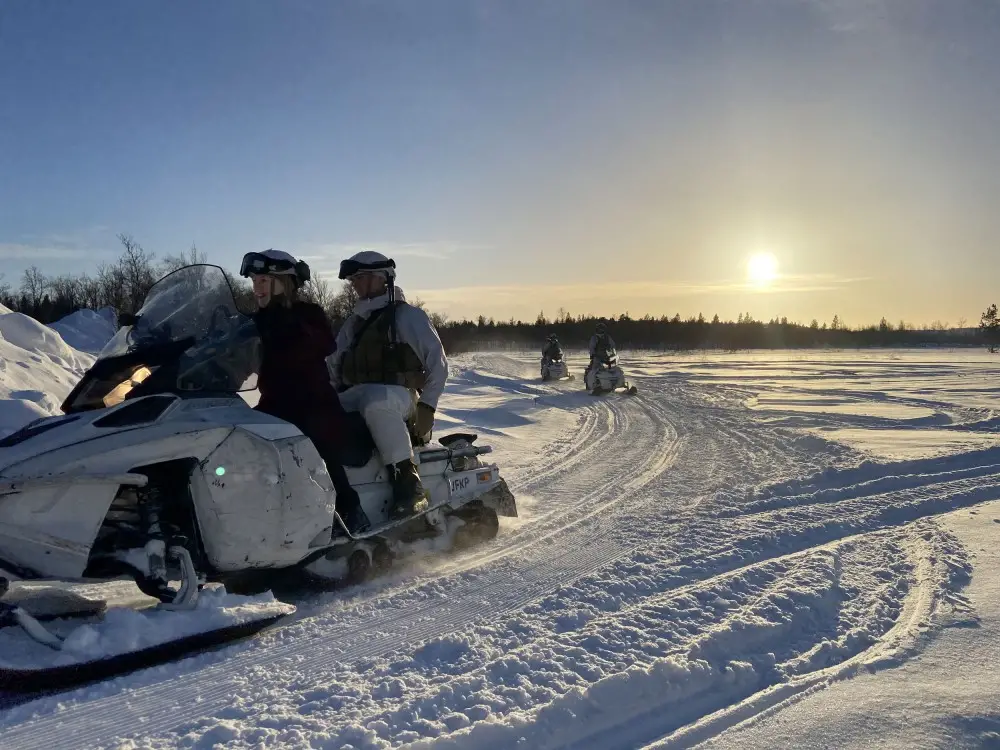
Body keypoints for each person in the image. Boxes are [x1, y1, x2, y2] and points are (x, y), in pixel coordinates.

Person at [239, 249, 371, 534]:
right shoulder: (254, 323)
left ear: (284, 283)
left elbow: (324, 344)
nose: (256, 288)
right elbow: (233, 356)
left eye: (263, 281)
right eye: (254, 282)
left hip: (315, 404)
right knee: (238, 436)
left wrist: (288, 325)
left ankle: (350, 510)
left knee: (314, 439)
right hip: (274, 405)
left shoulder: (307, 314)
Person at [327, 250, 448, 520]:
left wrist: (428, 405)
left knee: (377, 401)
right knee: (318, 409)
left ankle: (409, 485)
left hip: (401, 396)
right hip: (359, 394)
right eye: (354, 280)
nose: (355, 285)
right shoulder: (354, 323)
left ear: (382, 278)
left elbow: (438, 363)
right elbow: (333, 364)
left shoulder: (406, 317)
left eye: (361, 278)